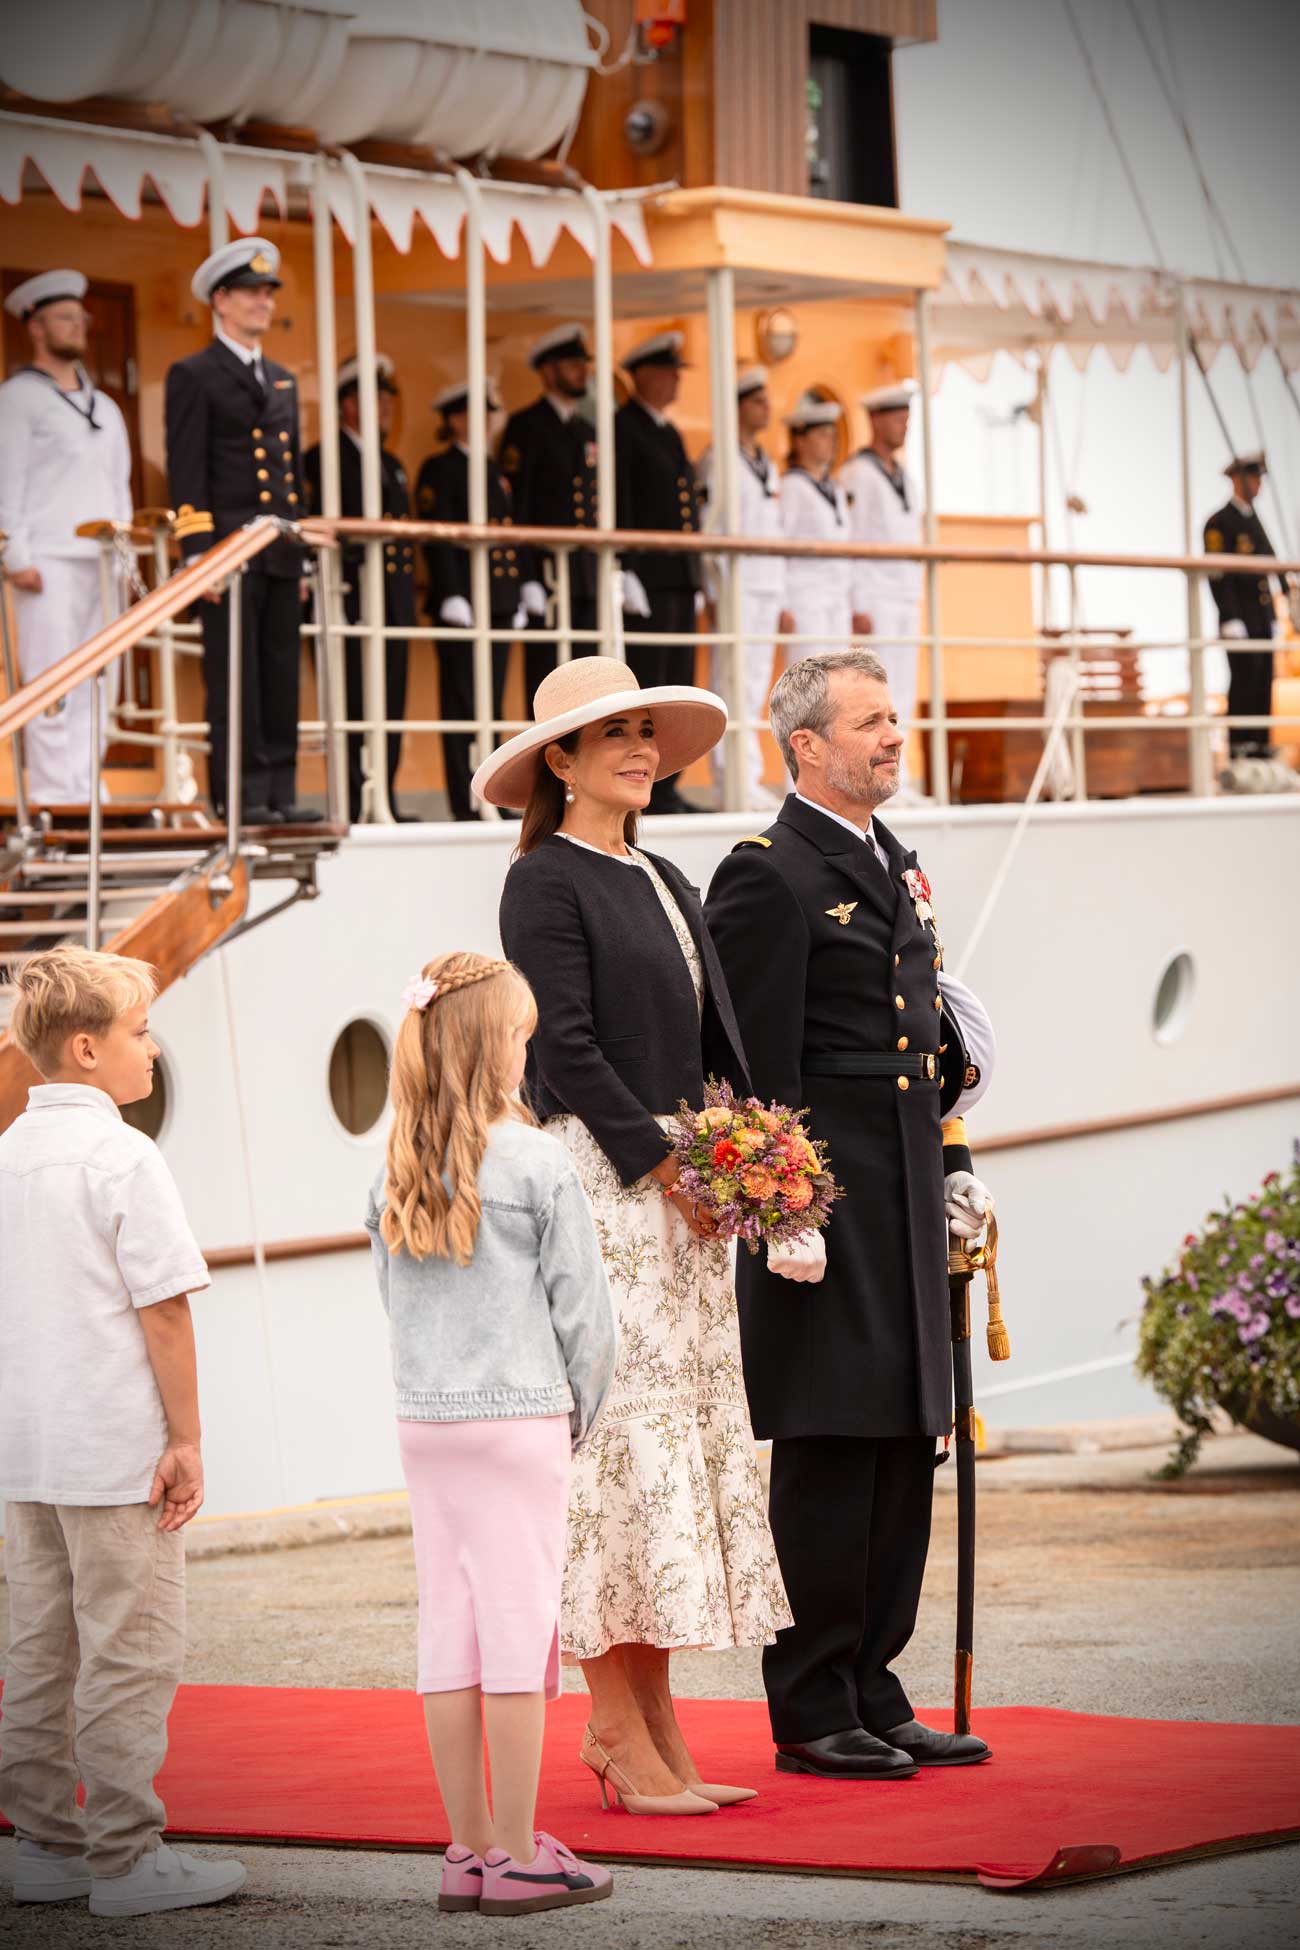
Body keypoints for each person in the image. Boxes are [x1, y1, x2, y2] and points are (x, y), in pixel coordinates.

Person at [484, 655, 791, 1816]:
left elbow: (718, 1039)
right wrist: (666, 1166)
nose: (640, 749)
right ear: (556, 760)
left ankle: (657, 1724)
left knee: (679, 1451)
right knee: (619, 1452)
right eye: (612, 734)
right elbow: (561, 1049)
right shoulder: (541, 885)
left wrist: (752, 1158)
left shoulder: (664, 870)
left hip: (687, 1202)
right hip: (609, 1195)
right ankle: (614, 1729)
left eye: (647, 731)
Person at [705, 650, 996, 1782]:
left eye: (895, 717)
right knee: (830, 1450)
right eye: (869, 722)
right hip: (817, 1217)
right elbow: (744, 1067)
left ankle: (876, 1684)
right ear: (805, 747)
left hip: (905, 1201)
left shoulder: (894, 862)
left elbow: (924, 1050)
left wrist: (956, 1154)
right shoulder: (767, 875)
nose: (893, 735)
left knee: (902, 1442)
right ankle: (811, 1702)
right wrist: (776, 1207)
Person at [366, 949, 616, 1917]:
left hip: (425, 1424)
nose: (529, 1049)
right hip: (518, 1420)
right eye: (520, 1035)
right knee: (518, 1632)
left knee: (450, 1630)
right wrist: (573, 1420)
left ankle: (466, 1847)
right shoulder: (537, 1160)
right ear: (492, 1049)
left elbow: (393, 1302)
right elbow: (584, 1322)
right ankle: (519, 1852)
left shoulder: (394, 1166)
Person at [0, 946, 245, 1917]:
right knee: (127, 1650)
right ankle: (126, 1858)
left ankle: (46, 1847)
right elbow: (165, 1309)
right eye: (141, 1032)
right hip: (113, 1450)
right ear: (89, 1047)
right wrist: (186, 1439)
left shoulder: (6, 1154)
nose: (152, 1048)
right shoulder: (123, 1156)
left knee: (35, 1648)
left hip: (24, 1451)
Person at [165, 236, 316, 826]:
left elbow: (290, 475)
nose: (263, 303)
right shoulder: (194, 374)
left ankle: (280, 791)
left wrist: (300, 551)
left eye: (268, 293)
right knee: (234, 678)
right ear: (220, 300)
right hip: (228, 550)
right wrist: (198, 553)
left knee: (280, 673)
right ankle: (240, 795)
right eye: (251, 293)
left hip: (277, 551)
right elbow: (186, 467)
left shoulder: (281, 379)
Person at [0, 270, 132, 804]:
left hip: (101, 563)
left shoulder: (106, 407)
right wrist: (15, 557)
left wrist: (125, 561)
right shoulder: (17, 398)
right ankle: (59, 797)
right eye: (63, 318)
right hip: (48, 561)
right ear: (35, 326)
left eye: (80, 318)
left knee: (102, 682)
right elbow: (7, 480)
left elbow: (119, 488)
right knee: (53, 682)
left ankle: (87, 789)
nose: (75, 327)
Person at [302, 353, 416, 822]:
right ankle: (350, 799)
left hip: (390, 599)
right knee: (347, 702)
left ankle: (382, 794)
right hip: (347, 597)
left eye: (387, 397)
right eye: (374, 397)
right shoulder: (323, 459)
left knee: (389, 702)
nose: (385, 407)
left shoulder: (390, 463)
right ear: (348, 404)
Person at [416, 380, 524, 821]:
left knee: (490, 704)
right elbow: (438, 536)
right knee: (461, 704)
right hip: (462, 604)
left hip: (496, 601)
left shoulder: (493, 467)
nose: (485, 422)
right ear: (456, 419)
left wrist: (516, 590)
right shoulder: (439, 469)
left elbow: (509, 531)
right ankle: (464, 802)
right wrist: (452, 592)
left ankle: (491, 795)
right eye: (476, 414)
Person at [698, 366, 794, 811]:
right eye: (756, 401)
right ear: (737, 408)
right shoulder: (719, 459)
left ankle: (749, 775)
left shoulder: (765, 463)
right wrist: (712, 591)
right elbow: (710, 526)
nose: (766, 408)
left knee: (757, 685)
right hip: (736, 585)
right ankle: (729, 779)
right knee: (731, 682)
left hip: (766, 584)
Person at [614, 330, 702, 813]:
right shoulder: (623, 428)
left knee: (678, 678)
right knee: (651, 680)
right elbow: (622, 499)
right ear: (644, 375)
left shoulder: (667, 431)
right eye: (668, 373)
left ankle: (667, 785)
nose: (675, 383)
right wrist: (625, 566)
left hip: (677, 575)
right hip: (647, 576)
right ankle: (652, 786)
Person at [499, 323, 599, 699]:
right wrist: (525, 575)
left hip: (584, 574)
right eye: (571, 364)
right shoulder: (526, 427)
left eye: (582, 364)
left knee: (587, 679)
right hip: (545, 573)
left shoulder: (586, 429)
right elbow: (518, 504)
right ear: (547, 370)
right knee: (548, 680)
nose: (581, 371)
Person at [839, 380, 927, 802]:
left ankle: (901, 779)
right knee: (881, 692)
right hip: (875, 593)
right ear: (875, 420)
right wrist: (856, 601)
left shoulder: (904, 477)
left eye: (907, 417)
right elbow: (849, 539)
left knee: (904, 689)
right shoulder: (858, 474)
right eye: (896, 417)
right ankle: (885, 778)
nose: (904, 425)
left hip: (904, 592)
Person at [1203, 453, 1282, 760]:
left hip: (1262, 617)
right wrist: (1230, 616)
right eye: (1253, 478)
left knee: (1264, 678)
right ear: (1237, 479)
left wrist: (1276, 612)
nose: (1258, 485)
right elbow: (1218, 575)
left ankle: (1261, 743)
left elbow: (1271, 565)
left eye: (1260, 478)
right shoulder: (1219, 522)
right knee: (1243, 679)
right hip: (1239, 619)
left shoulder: (1254, 520)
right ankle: (1240, 745)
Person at [779, 394, 853, 686]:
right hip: (805, 596)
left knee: (838, 681)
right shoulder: (791, 487)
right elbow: (778, 545)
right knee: (808, 682)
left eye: (833, 435)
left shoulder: (834, 489)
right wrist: (783, 603)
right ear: (800, 440)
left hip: (835, 596)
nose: (830, 442)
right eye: (822, 435)